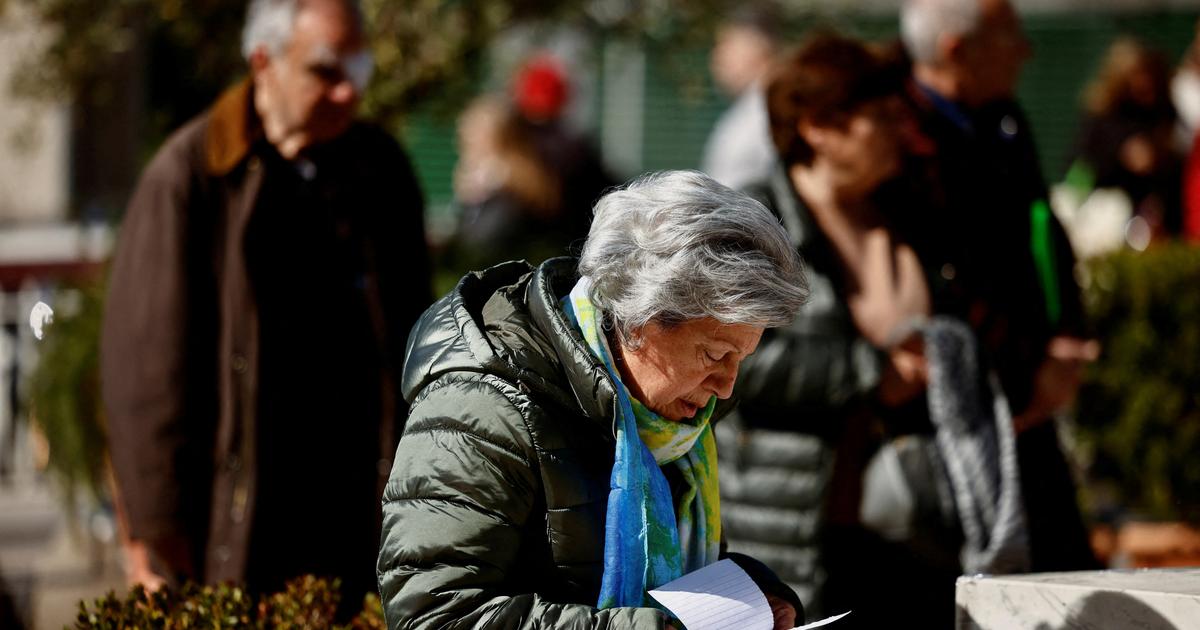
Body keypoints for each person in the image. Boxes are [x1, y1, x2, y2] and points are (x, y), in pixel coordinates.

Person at [101, 0, 432, 612]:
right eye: (325, 71)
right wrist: (152, 534)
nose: (346, 92)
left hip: (358, 512)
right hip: (236, 521)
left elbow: (420, 344)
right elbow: (146, 374)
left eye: (356, 71)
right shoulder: (192, 177)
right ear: (263, 62)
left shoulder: (379, 170)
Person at [377, 171, 808, 629]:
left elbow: (668, 564)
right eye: (715, 355)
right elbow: (433, 614)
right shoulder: (485, 408)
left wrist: (758, 595)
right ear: (640, 319)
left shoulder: (664, 421)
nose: (726, 385)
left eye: (742, 358)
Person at [718, 34, 970, 628]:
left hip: (912, 513)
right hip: (795, 508)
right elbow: (738, 359)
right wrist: (871, 372)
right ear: (818, 128)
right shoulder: (755, 222)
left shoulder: (907, 212)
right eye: (879, 117)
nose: (900, 131)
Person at [900, 0, 1100, 572]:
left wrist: (1066, 341)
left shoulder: (1002, 116)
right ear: (956, 50)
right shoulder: (903, 131)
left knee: (1063, 570)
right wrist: (1018, 372)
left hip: (1031, 390)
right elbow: (943, 276)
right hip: (969, 407)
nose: (1026, 51)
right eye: (1010, 36)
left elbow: (1045, 229)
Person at [1066, 37, 1183, 242]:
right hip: (1107, 219)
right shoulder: (1102, 117)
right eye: (1138, 75)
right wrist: (1120, 154)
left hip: (1157, 223)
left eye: (1150, 74)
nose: (1145, 83)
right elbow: (1079, 167)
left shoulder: (1165, 114)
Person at [701, 3, 783, 190]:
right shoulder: (752, 108)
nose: (717, 58)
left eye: (726, 43)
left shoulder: (772, 112)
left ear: (756, 45)